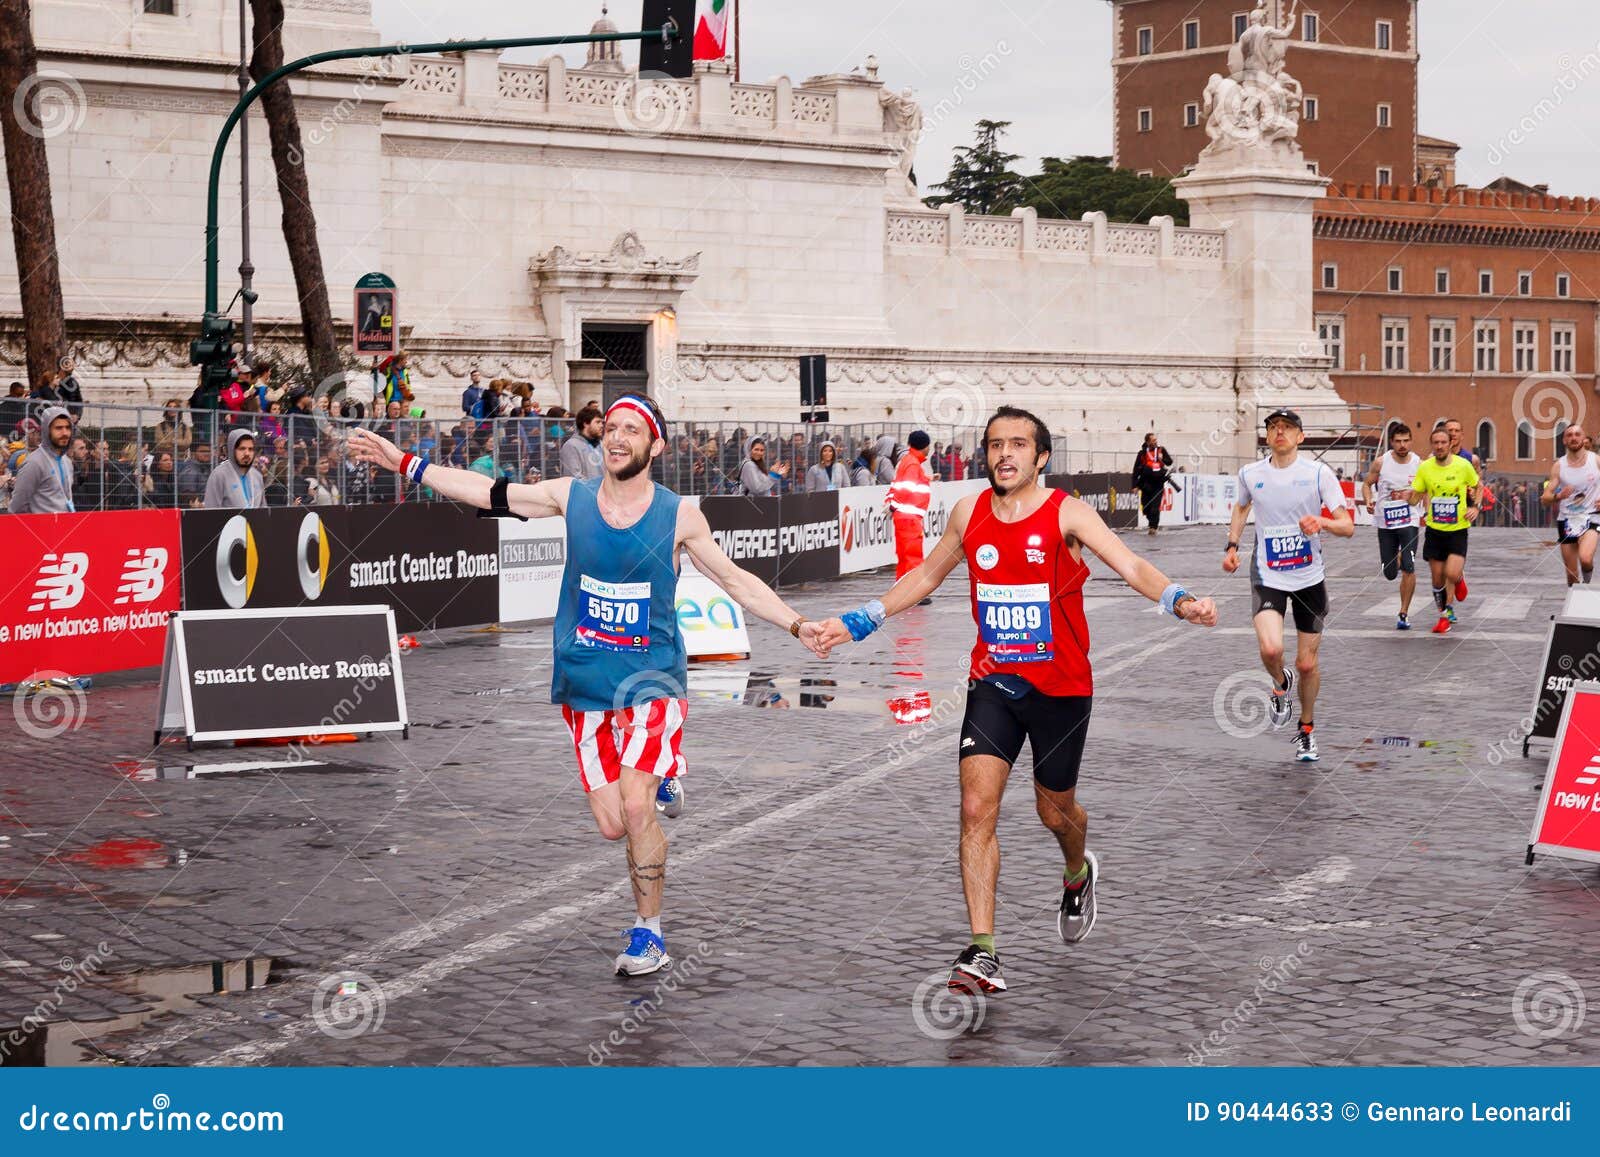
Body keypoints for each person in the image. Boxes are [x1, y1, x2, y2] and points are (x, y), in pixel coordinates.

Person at [347, 395, 832, 978]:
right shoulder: (569, 496)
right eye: (612, 428)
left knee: (634, 803)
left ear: (656, 446)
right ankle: (665, 775)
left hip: (652, 681)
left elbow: (735, 579)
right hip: (584, 681)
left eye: (633, 430)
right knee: (612, 823)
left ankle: (649, 933)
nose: (618, 437)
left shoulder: (680, 515)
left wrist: (799, 625)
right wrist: (405, 462)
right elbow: (485, 492)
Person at [814, 406, 1216, 995]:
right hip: (995, 684)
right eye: (996, 444)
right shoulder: (968, 513)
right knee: (976, 809)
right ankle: (983, 951)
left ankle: (1078, 871)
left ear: (1041, 457)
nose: (1005, 454)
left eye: (1018, 445)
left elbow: (1128, 563)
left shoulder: (1066, 514)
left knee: (1054, 813)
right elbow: (925, 575)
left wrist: (1179, 600)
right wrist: (860, 619)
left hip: (1062, 689)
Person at [1223, 409, 1353, 763]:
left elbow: (1348, 526)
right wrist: (1232, 545)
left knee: (1308, 665)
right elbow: (1241, 507)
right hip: (1268, 575)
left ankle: (1307, 729)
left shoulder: (1318, 474)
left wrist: (1322, 522)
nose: (1279, 431)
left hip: (1309, 577)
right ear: (1267, 436)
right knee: (1270, 649)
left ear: (1300, 437)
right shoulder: (1250, 473)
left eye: (1288, 427)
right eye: (1273, 427)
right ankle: (1281, 683)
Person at [1398, 426, 1479, 634]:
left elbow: (1478, 486)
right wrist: (1409, 497)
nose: (1440, 446)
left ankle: (1457, 583)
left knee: (1451, 572)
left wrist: (1475, 507)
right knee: (1437, 578)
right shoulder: (1425, 468)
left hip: (1458, 529)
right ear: (1432, 445)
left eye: (1444, 442)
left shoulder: (1463, 466)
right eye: (1436, 443)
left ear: (1450, 443)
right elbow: (1417, 495)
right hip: (1435, 530)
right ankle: (1443, 615)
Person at [1361, 423, 1422, 629]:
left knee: (1409, 566)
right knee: (1388, 572)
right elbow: (1366, 484)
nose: (1402, 445)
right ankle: (1396, 557)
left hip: (1409, 520)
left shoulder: (1418, 463)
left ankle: (1403, 613)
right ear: (1392, 442)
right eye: (1398, 441)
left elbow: (1426, 489)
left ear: (1411, 441)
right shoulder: (1381, 462)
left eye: (1406, 441)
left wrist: (1424, 507)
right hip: (1385, 522)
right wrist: (1368, 500)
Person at [1544, 423, 1600, 586]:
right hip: (1567, 520)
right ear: (1564, 441)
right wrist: (1558, 496)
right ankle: (1576, 601)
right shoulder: (1559, 466)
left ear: (1584, 439)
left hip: (1593, 518)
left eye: (1577, 434)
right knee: (1571, 576)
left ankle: (1587, 584)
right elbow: (1545, 497)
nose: (1573, 438)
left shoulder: (1596, 461)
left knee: (1586, 558)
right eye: (1569, 435)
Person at [889, 430, 933, 595]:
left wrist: (928, 478)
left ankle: (901, 590)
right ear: (925, 446)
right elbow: (907, 488)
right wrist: (895, 504)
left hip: (903, 517)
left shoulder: (908, 461)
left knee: (903, 556)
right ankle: (915, 593)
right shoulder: (913, 464)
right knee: (913, 556)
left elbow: (901, 485)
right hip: (910, 518)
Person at [8, 406, 75, 514]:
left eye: (68, 427)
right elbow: (16, 508)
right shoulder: (34, 463)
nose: (65, 433)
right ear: (46, 430)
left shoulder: (67, 462)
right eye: (58, 428)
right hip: (40, 529)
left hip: (65, 528)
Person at [203, 429, 264, 509]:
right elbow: (210, 511)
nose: (247, 453)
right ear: (232, 450)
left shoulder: (257, 476)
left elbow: (263, 510)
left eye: (250, 449)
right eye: (242, 449)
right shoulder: (219, 475)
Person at [1131, 432, 1174, 535]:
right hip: (1145, 484)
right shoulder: (1142, 453)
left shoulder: (1161, 450)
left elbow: (1169, 462)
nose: (1155, 442)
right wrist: (1134, 485)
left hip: (1158, 483)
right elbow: (1136, 470)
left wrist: (1161, 458)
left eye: (1156, 440)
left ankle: (1153, 527)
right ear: (1148, 442)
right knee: (1145, 508)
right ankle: (1151, 522)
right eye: (1153, 440)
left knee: (1155, 507)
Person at [560, 405, 604, 480]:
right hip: (587, 491)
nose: (601, 425)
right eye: (597, 422)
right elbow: (573, 477)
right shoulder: (571, 446)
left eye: (602, 422)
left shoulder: (601, 444)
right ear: (586, 423)